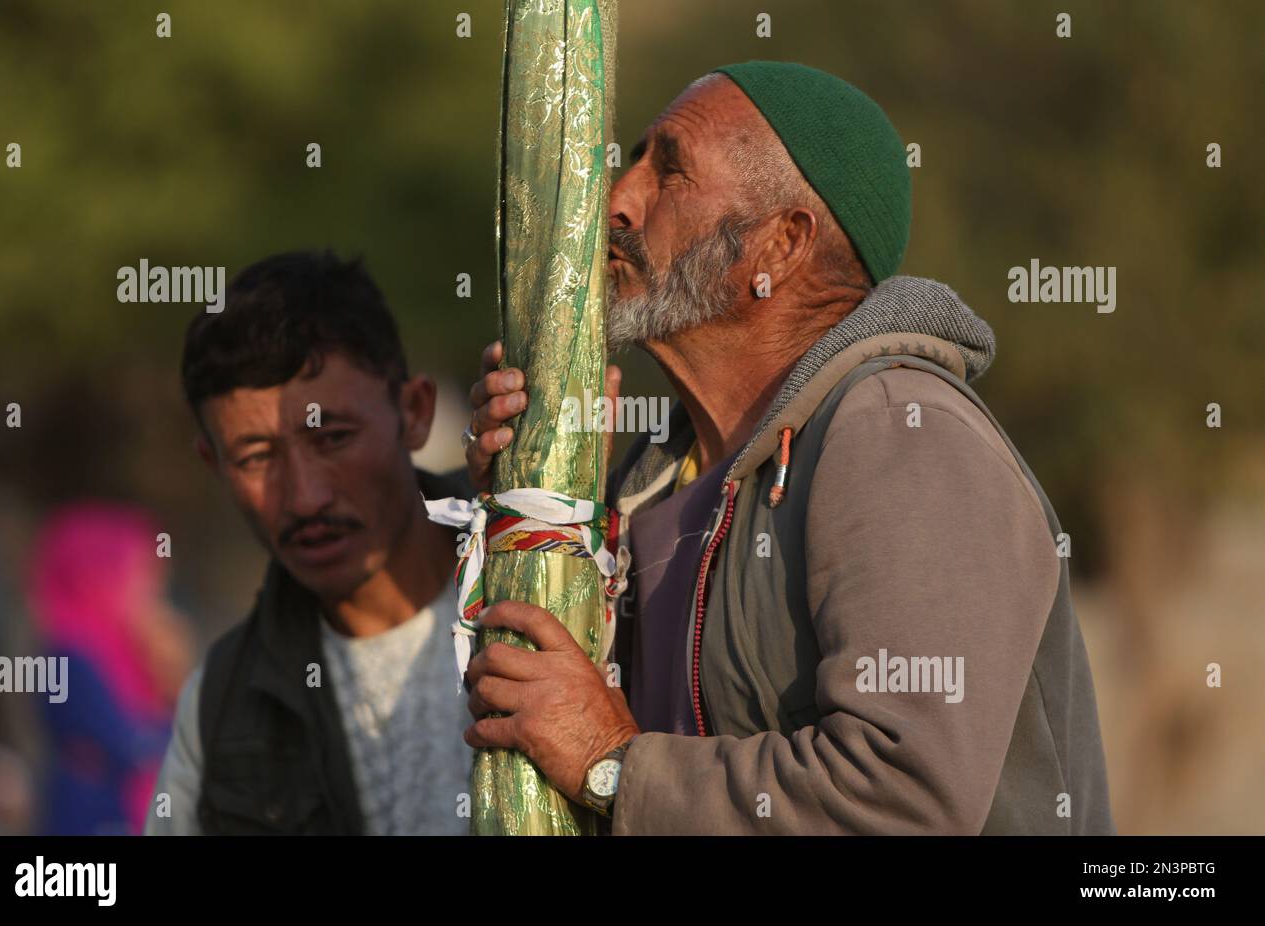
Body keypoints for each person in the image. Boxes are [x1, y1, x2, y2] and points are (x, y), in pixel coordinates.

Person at [461, 61, 1114, 834]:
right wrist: (537, 501)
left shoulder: (902, 434)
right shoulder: (654, 482)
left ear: (780, 246)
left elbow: (903, 803)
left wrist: (614, 762)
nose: (618, 201)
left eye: (668, 171)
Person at [147, 250, 470, 835]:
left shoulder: (570, 582)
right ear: (213, 465)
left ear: (414, 412)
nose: (304, 498)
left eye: (333, 439)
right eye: (255, 457)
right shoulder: (222, 708)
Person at [30, 502, 190, 834]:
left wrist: (173, 676)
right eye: (139, 577)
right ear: (100, 577)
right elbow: (126, 745)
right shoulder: (69, 655)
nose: (150, 595)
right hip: (88, 817)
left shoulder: (126, 652)